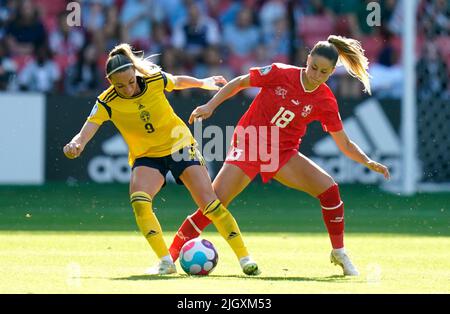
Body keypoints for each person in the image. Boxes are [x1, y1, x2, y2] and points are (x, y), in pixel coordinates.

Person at [169, 35, 391, 276]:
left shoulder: (325, 100)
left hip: (283, 152)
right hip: (251, 141)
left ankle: (339, 252)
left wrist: (367, 161)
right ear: (307, 60)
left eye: (323, 72)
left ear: (331, 73)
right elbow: (240, 82)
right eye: (313, 67)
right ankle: (169, 257)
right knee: (214, 204)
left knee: (330, 191)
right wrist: (210, 105)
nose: (316, 75)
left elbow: (344, 143)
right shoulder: (280, 73)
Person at [63, 43, 260, 276]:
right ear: (110, 82)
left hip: (180, 146)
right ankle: (166, 262)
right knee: (139, 202)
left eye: (130, 82)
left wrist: (202, 83)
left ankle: (245, 258)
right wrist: (77, 144)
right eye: (119, 85)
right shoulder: (106, 102)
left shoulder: (154, 79)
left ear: (135, 73)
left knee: (211, 205)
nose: (127, 89)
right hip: (147, 156)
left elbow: (176, 81)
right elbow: (87, 130)